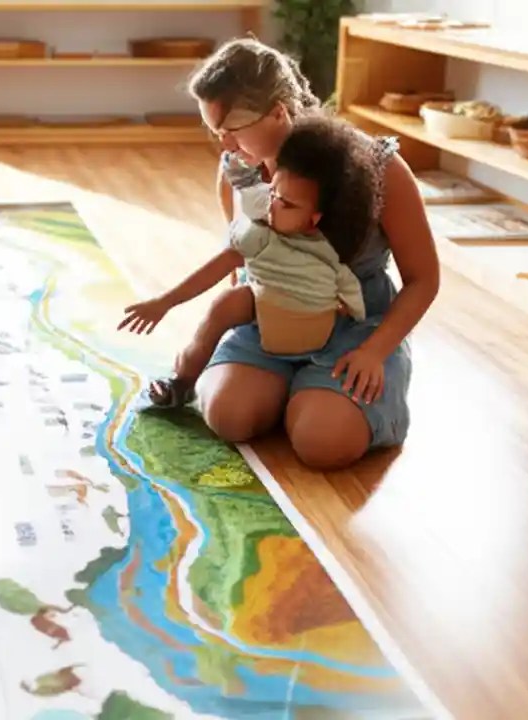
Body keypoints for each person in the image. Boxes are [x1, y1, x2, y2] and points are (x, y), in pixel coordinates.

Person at [129, 37, 440, 470]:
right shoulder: (238, 168)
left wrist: (374, 352)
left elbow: (424, 278)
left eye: (232, 132)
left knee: (321, 443)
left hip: (357, 327)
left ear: (278, 111)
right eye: (216, 134)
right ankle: (290, 390)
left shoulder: (377, 168)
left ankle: (311, 398)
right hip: (273, 316)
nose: (225, 147)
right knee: (227, 414)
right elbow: (242, 258)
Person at [118, 114, 370, 406]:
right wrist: (165, 302)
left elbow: (349, 287)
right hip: (267, 310)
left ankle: (303, 391)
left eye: (286, 204)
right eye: (273, 193)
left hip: (315, 332)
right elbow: (214, 269)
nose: (272, 206)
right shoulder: (261, 234)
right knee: (225, 305)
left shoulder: (327, 251)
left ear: (314, 219)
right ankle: (183, 380)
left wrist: (353, 313)